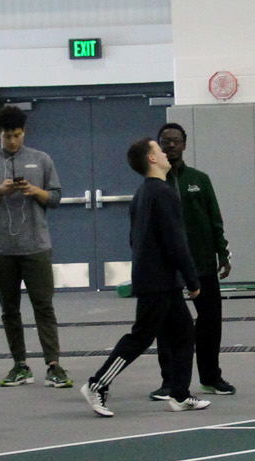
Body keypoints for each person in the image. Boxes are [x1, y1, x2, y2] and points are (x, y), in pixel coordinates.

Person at [79, 139, 209, 418]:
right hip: (158, 281)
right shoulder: (163, 193)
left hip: (160, 279)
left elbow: (133, 239)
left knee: (185, 332)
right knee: (140, 337)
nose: (165, 153)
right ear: (151, 159)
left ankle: (180, 394)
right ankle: (97, 384)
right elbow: (176, 241)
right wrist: (192, 280)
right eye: (160, 151)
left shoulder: (142, 194)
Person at [0, 105, 69, 388]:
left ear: (23, 133)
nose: (12, 141)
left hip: (36, 246)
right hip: (1, 248)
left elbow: (55, 197)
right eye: (6, 136)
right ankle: (19, 365)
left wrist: (35, 191)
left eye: (16, 135)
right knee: (9, 309)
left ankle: (53, 365)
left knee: (44, 306)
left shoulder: (41, 160)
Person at [149, 122, 236, 399]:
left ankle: (211, 377)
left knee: (210, 320)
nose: (171, 145)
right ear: (158, 146)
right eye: (165, 141)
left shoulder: (200, 179)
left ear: (184, 144)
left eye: (175, 140)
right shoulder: (153, 184)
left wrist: (222, 252)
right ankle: (170, 381)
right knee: (166, 324)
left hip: (202, 263)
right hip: (168, 267)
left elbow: (215, 220)